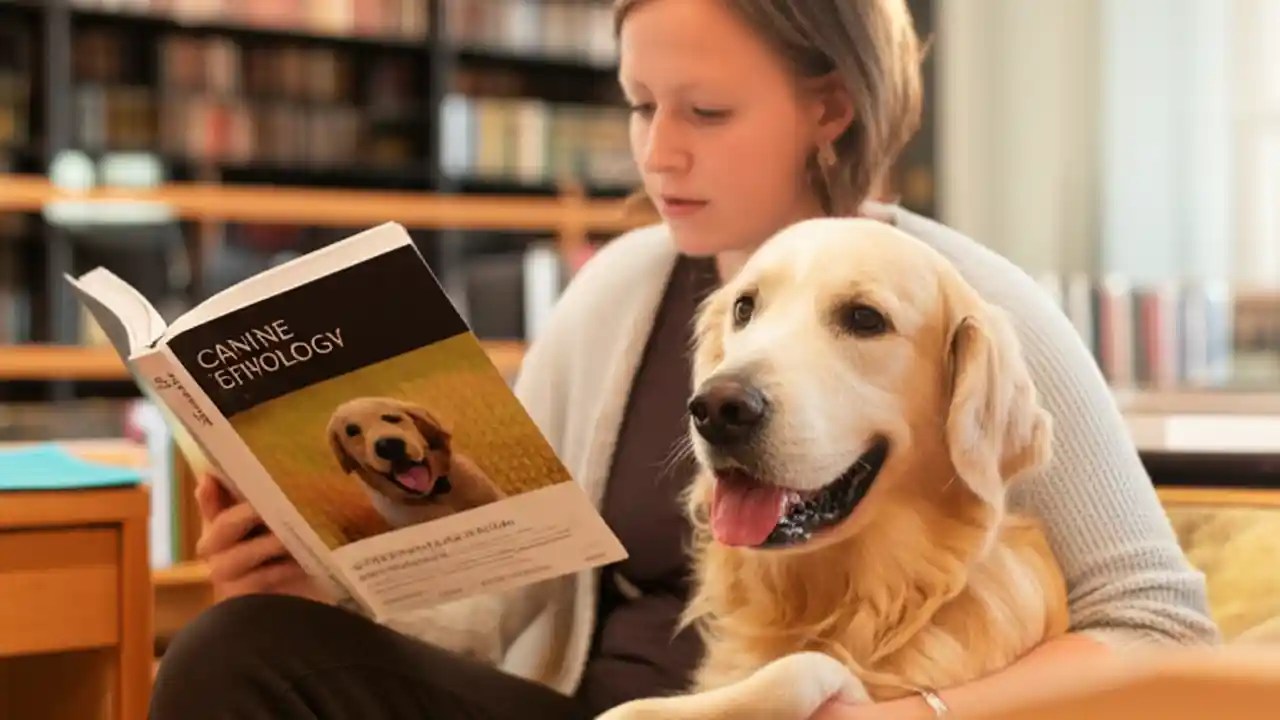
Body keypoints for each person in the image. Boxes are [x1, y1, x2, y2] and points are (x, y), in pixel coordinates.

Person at [149, 1, 1221, 719]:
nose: (658, 152)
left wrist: (910, 719)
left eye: (705, 111)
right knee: (232, 645)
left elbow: (1157, 623)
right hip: (601, 709)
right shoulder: (614, 290)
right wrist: (323, 584)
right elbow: (502, 602)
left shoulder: (959, 302)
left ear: (826, 108)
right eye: (640, 106)